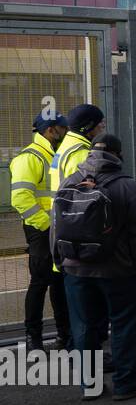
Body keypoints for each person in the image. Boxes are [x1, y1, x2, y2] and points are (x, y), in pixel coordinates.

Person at [55, 135, 136, 401]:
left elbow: (57, 226)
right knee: (123, 324)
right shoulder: (128, 186)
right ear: (118, 155)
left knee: (84, 327)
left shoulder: (70, 181)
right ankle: (125, 383)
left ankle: (91, 384)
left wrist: (60, 261)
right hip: (118, 269)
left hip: (75, 267)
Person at [10, 113, 71, 351]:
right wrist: (47, 225)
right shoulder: (30, 157)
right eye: (63, 128)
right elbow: (21, 199)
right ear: (50, 131)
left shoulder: (53, 156)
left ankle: (64, 336)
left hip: (57, 227)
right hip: (42, 228)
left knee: (58, 283)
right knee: (40, 283)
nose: (66, 132)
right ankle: (33, 338)